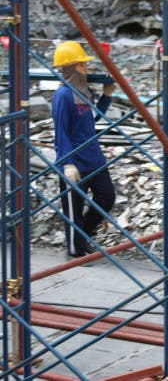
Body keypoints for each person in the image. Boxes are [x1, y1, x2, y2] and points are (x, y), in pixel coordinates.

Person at [52, 41, 117, 258]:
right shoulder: (63, 96)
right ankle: (76, 250)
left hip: (94, 158)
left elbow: (93, 119)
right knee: (74, 210)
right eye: (81, 65)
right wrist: (67, 163)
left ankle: (84, 235)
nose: (86, 68)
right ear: (69, 67)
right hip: (74, 161)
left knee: (107, 197)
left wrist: (106, 96)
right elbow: (60, 131)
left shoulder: (84, 92)